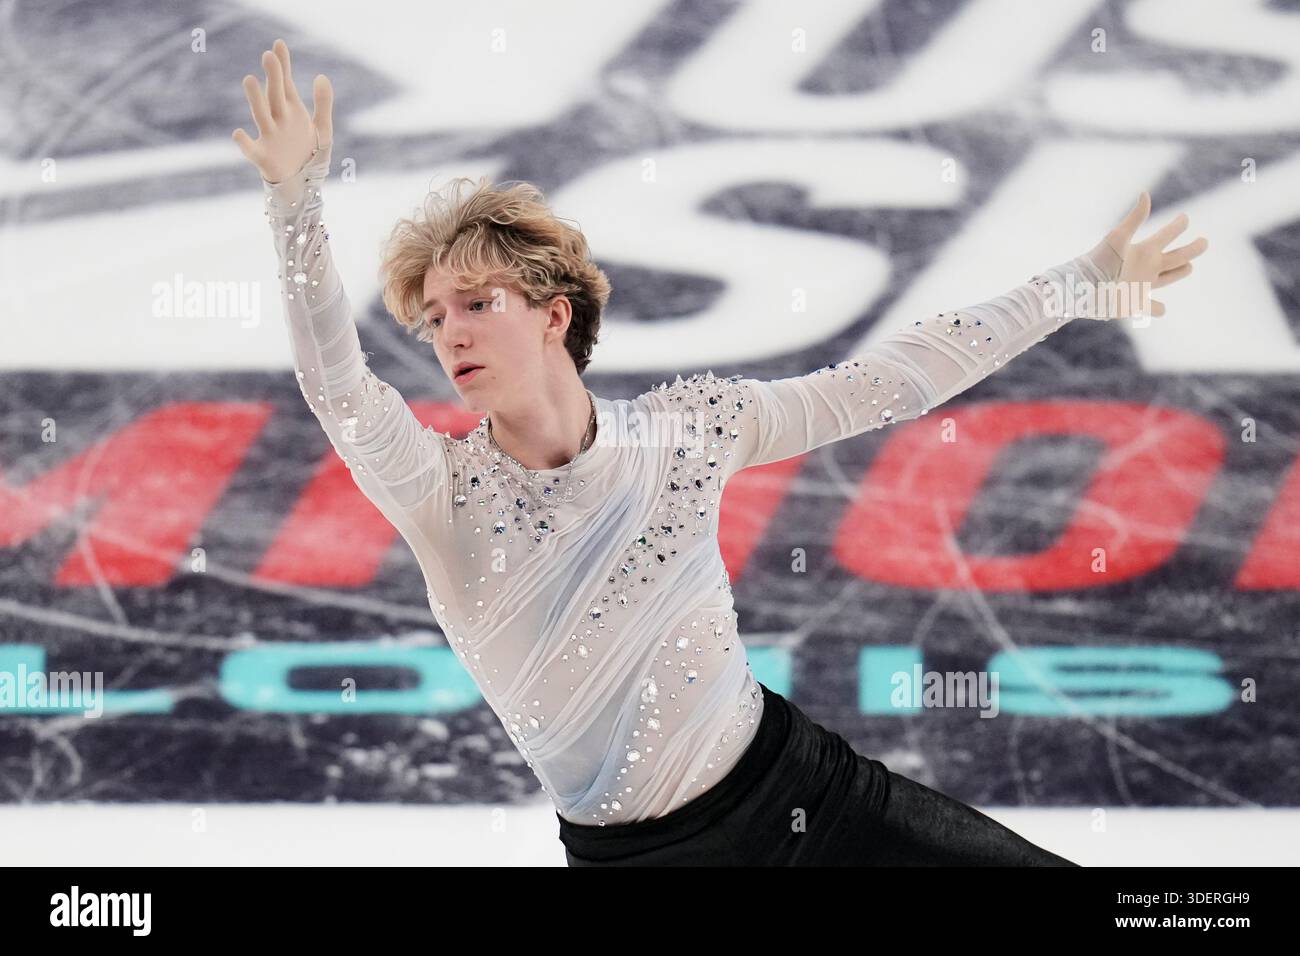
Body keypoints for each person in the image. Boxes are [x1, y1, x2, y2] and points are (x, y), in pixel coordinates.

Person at [233, 40, 1208, 866]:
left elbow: (886, 380)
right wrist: (295, 205)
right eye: (434, 316)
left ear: (553, 313)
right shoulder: (437, 491)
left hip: (808, 794)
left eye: (477, 302)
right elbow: (337, 384)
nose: (450, 332)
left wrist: (1079, 281)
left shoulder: (686, 429)